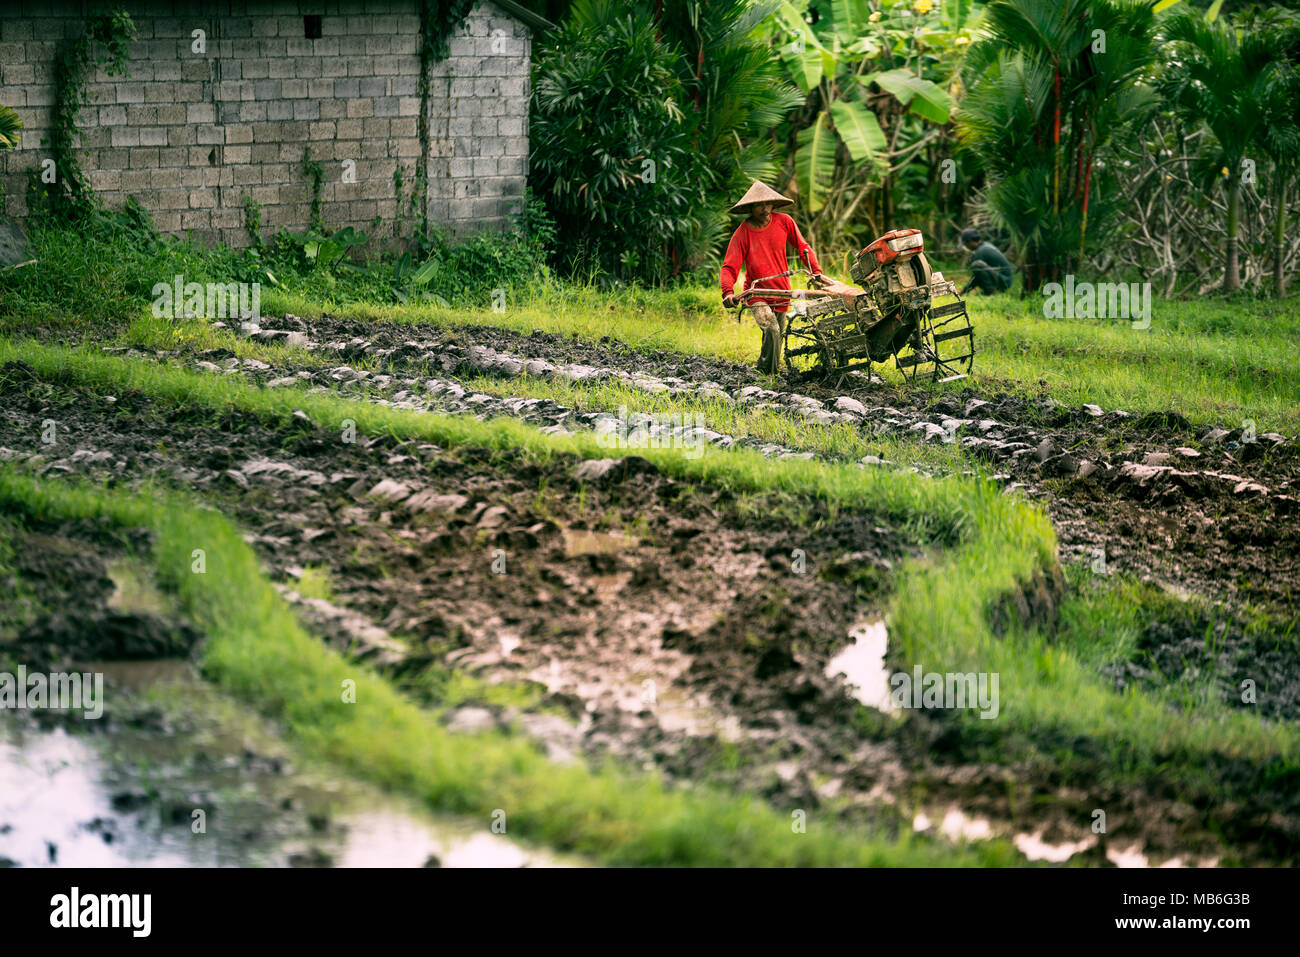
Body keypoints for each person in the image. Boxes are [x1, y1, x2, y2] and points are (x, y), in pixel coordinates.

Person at [720, 181, 825, 374]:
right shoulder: (742, 233)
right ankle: (770, 376)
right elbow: (729, 266)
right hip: (757, 293)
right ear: (750, 208)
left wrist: (816, 272)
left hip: (782, 291)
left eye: (768, 204)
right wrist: (728, 292)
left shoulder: (784, 222)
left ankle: (764, 368)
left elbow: (803, 248)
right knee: (772, 329)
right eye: (760, 204)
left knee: (778, 335)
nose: (765, 208)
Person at [959, 228, 1013, 295]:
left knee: (976, 265)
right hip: (1004, 279)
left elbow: (976, 277)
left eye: (966, 244)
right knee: (978, 266)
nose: (966, 247)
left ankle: (990, 293)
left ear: (970, 241)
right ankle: (991, 291)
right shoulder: (985, 245)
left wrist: (963, 291)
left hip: (1003, 281)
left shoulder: (981, 251)